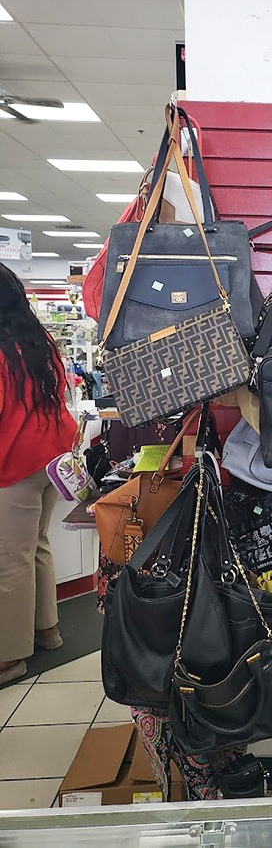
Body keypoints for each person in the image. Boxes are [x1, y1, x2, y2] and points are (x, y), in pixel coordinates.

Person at [0, 263, 77, 685]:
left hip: (13, 463)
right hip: (51, 457)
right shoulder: (38, 340)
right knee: (37, 545)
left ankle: (9, 656)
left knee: (10, 560)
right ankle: (47, 630)